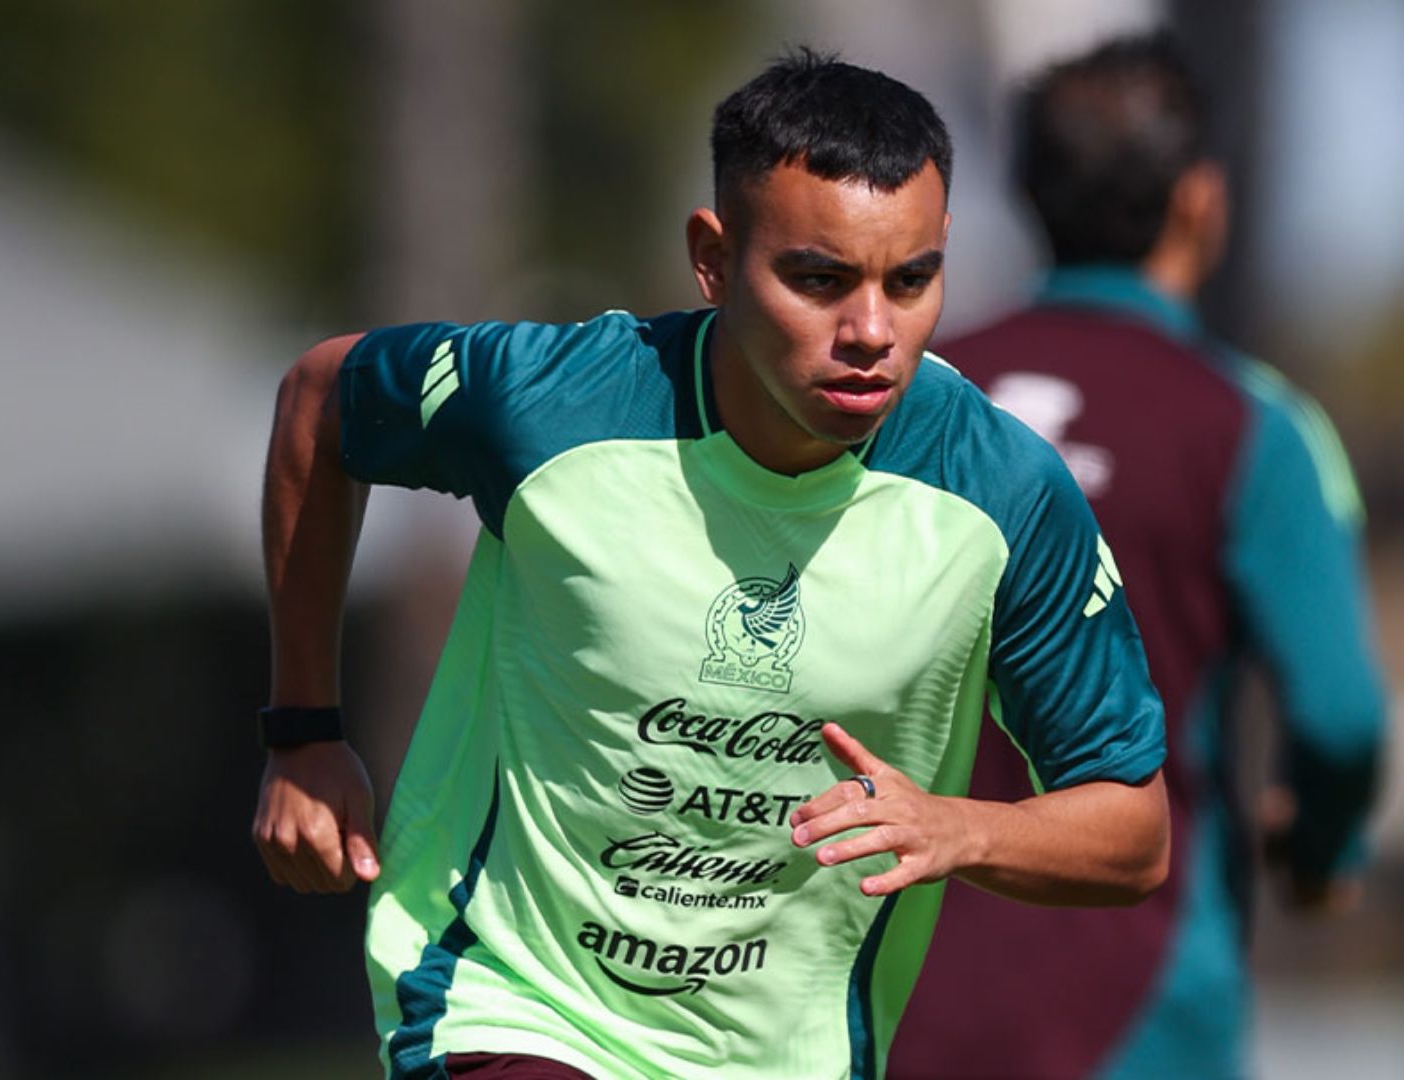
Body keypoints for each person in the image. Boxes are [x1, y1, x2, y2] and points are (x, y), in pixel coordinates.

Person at [252, 51, 1170, 1080]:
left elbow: (1132, 832)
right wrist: (303, 731)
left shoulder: (998, 494)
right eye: (818, 280)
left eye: (911, 281)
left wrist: (958, 829)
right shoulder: (555, 408)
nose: (871, 331)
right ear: (712, 257)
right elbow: (318, 404)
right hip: (516, 1007)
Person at [886, 34, 1389, 1080]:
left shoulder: (900, 400)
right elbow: (1341, 716)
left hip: (887, 990)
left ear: (1025, 193)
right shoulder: (1252, 428)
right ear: (1201, 199)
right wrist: (1321, 848)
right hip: (1138, 1007)